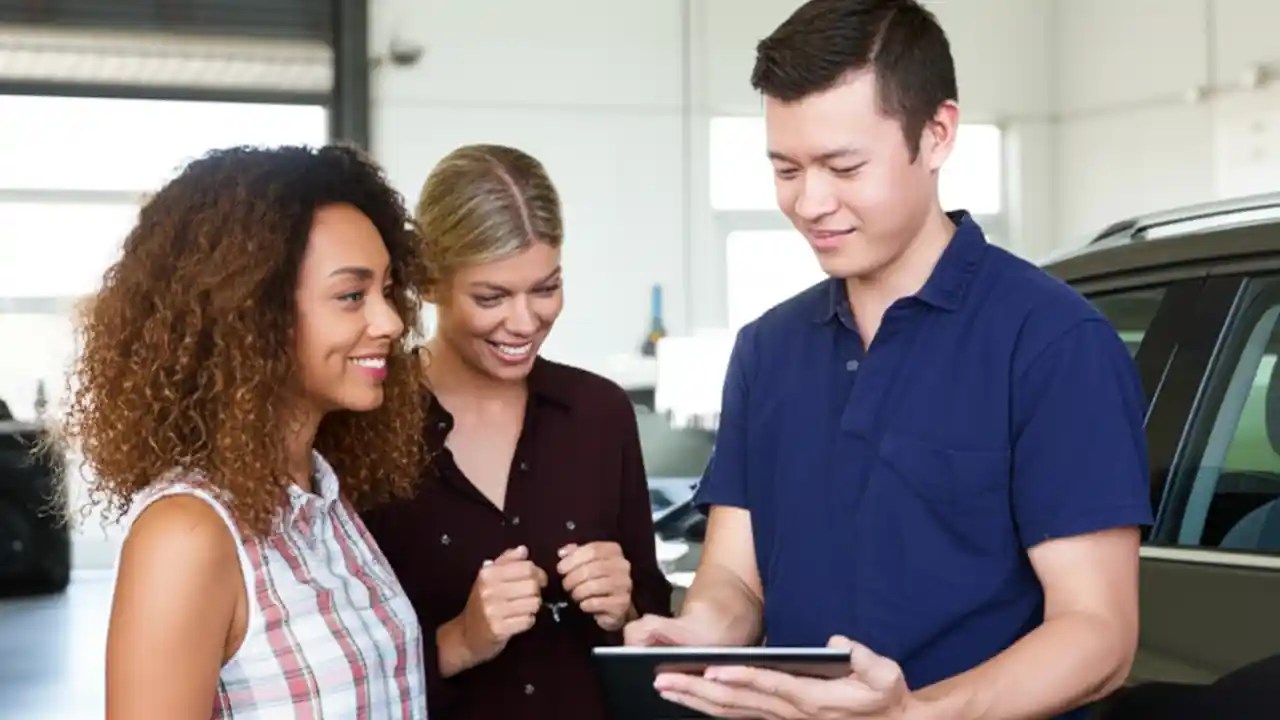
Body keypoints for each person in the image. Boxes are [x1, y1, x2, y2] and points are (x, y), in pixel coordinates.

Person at [624, 1, 1153, 719]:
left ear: (936, 135)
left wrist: (917, 714)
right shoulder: (767, 349)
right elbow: (736, 581)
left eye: (844, 167)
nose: (811, 202)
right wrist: (696, 636)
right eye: (785, 169)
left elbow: (1097, 632)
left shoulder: (1052, 343)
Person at [56, 145, 431, 719]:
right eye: (352, 296)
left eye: (386, 291)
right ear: (255, 314)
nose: (391, 322)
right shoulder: (189, 535)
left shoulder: (326, 504)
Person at [360, 143, 672, 720]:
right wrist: (459, 641)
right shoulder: (364, 423)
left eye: (546, 288)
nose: (525, 322)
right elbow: (337, 669)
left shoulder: (599, 414)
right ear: (429, 282)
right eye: (491, 297)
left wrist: (625, 609)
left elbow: (657, 631)